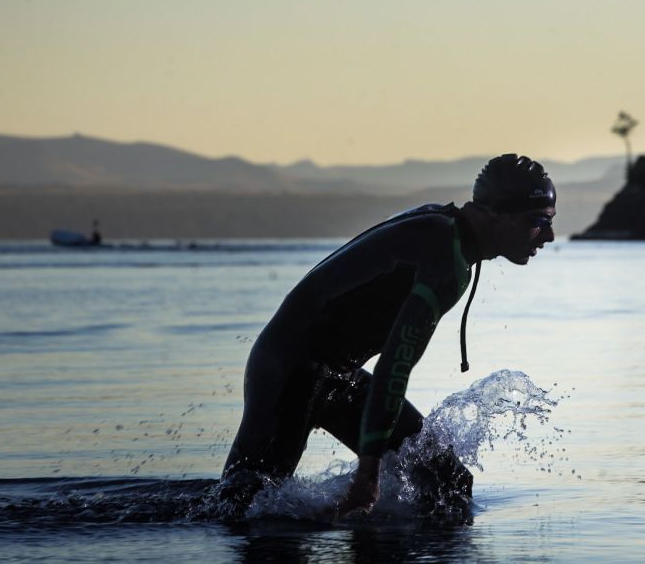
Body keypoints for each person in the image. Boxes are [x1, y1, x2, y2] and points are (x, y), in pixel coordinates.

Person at [219, 153, 557, 518]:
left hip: (334, 374)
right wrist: (368, 474)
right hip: (290, 371)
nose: (550, 236)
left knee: (449, 484)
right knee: (241, 508)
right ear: (495, 214)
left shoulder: (445, 229)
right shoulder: (445, 261)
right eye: (537, 222)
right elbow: (394, 366)